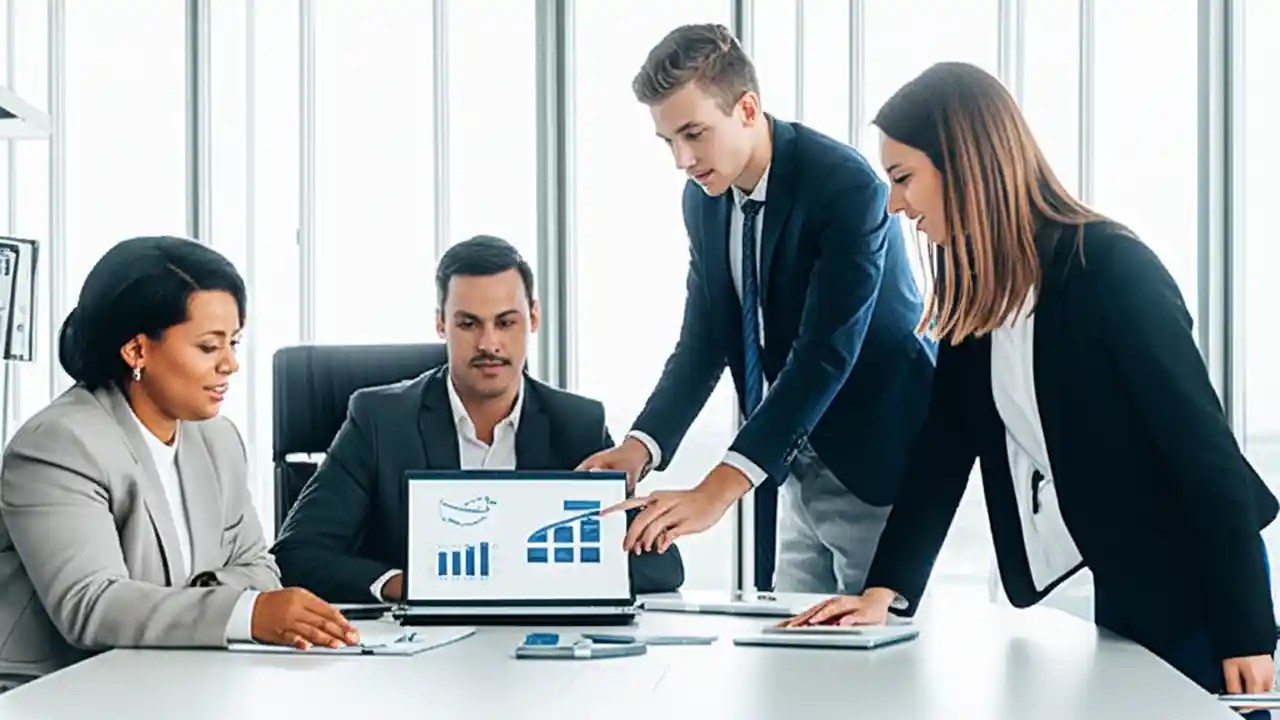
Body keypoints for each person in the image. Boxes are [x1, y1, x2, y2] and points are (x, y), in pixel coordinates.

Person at [784, 62, 1278, 701]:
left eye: (904, 178)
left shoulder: (1111, 272)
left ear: (962, 164)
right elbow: (942, 453)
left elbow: (1207, 460)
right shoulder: (983, 299)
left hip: (1204, 592)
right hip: (1127, 585)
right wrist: (883, 591)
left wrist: (1247, 630)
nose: (895, 204)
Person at [581, 24, 934, 593]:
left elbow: (824, 354)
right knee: (794, 651)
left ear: (747, 108)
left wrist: (715, 491)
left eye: (694, 133)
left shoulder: (845, 187)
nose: (682, 159)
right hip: (787, 462)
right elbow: (704, 341)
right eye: (668, 140)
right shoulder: (705, 198)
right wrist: (639, 448)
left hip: (875, 462)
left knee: (877, 661)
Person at [0, 237, 358, 688]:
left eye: (234, 343)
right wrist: (245, 611)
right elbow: (91, 606)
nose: (230, 364)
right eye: (209, 347)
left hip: (174, 679)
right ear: (137, 351)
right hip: (58, 690)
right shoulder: (59, 444)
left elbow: (259, 568)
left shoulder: (217, 438)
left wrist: (193, 606)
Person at [272, 236, 684, 603]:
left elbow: (661, 566)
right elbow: (297, 554)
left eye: (506, 323)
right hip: (416, 661)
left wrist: (520, 578)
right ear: (440, 323)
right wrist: (408, 585)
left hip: (538, 655)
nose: (489, 343)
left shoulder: (575, 424)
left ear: (533, 318)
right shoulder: (380, 420)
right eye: (468, 324)